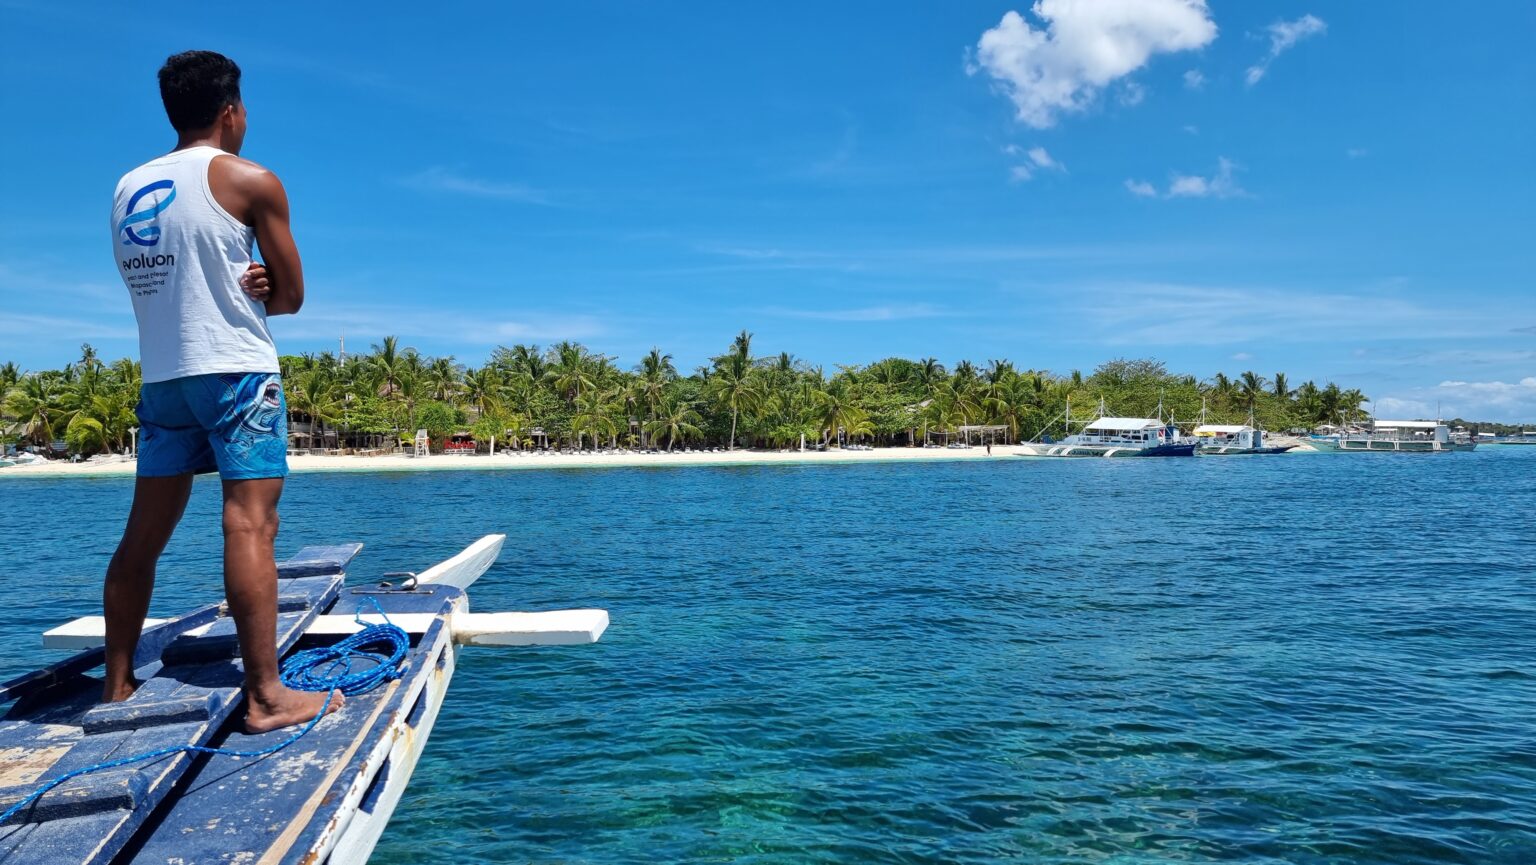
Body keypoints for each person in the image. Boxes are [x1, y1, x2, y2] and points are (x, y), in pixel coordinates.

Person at [105, 50, 342, 733]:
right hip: (235, 369)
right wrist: (267, 283)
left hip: (163, 377)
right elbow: (291, 297)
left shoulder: (128, 188)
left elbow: (173, 275)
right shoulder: (251, 180)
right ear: (231, 110)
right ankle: (266, 697)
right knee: (250, 524)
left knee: (143, 534)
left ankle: (116, 683)